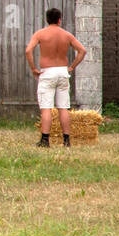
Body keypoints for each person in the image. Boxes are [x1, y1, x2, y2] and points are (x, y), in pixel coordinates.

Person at [24, 8, 87, 147]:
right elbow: (82, 51)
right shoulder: (67, 35)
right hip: (63, 72)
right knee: (63, 107)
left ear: (47, 19)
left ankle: (45, 140)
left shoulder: (41, 34)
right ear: (59, 20)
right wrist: (71, 67)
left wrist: (33, 68)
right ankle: (66, 140)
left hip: (48, 72)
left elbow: (28, 50)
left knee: (46, 107)